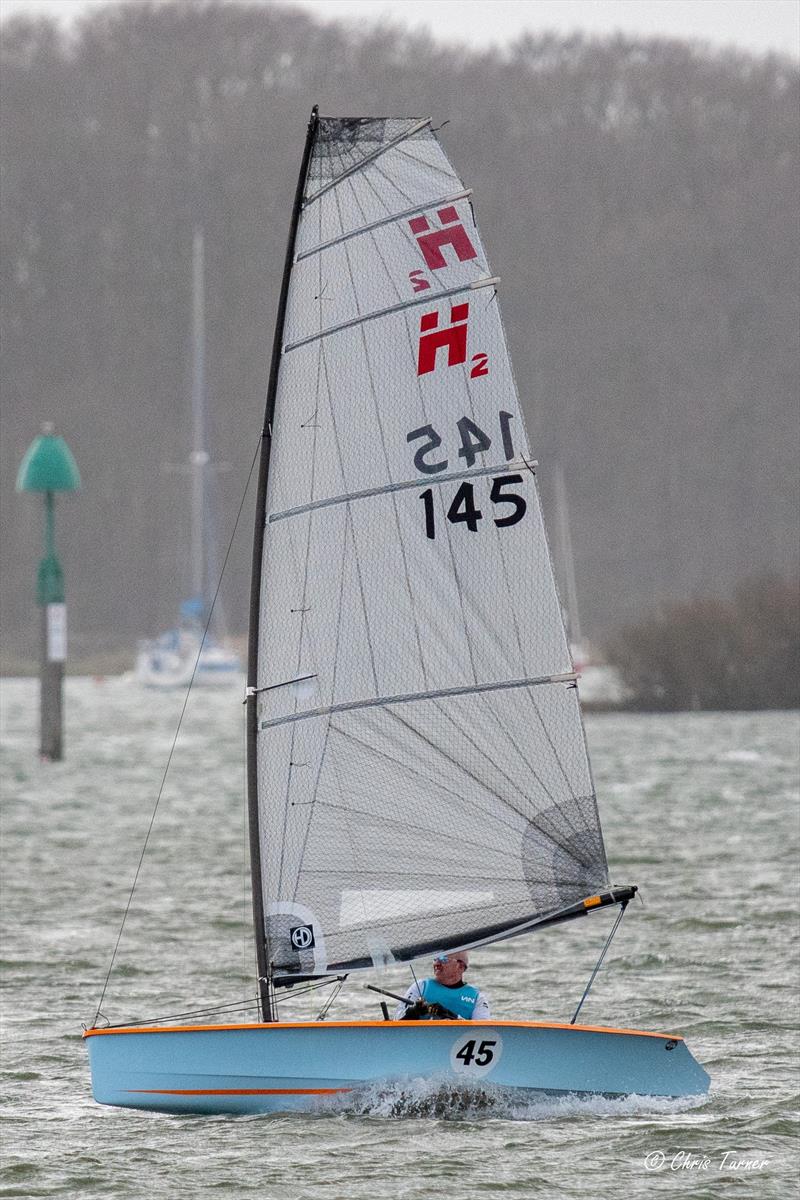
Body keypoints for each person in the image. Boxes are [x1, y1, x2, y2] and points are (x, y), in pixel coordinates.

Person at [393, 951, 491, 1020]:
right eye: (435, 958)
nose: (437, 963)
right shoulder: (421, 987)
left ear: (460, 966)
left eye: (443, 959)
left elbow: (483, 1031)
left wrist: (448, 1014)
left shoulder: (477, 997)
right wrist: (414, 1011)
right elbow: (396, 1019)